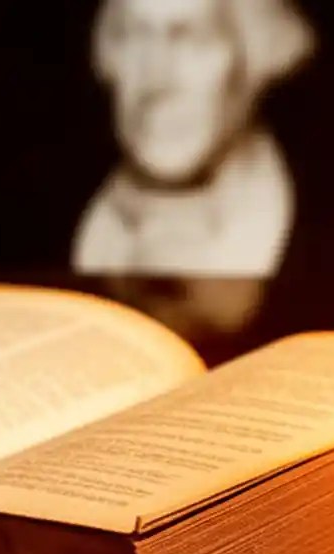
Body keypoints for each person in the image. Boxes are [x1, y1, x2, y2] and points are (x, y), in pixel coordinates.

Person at [71, 0, 316, 336]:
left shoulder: (333, 240)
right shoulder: (51, 217)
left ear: (251, 60)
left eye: (191, 39)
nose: (157, 80)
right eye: (134, 36)